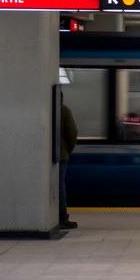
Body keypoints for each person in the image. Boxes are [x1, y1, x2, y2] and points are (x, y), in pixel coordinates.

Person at [58, 95, 79, 230]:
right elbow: (72, 133)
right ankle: (62, 218)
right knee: (60, 187)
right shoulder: (64, 110)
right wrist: (66, 151)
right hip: (61, 155)